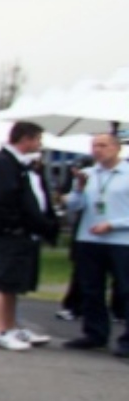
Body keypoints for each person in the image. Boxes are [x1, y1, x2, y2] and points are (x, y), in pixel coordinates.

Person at [0, 121, 61, 351]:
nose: (40, 144)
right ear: (26, 139)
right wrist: (15, 223)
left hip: (21, 233)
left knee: (12, 284)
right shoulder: (2, 164)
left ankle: (11, 326)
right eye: (38, 139)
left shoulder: (19, 164)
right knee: (0, 282)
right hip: (8, 232)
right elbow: (0, 200)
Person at [60, 131, 129, 355]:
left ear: (117, 148)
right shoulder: (88, 174)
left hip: (121, 240)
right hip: (89, 238)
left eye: (104, 145)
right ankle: (95, 332)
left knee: (125, 290)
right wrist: (78, 189)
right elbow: (73, 207)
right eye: (94, 146)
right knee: (91, 288)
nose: (98, 149)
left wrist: (114, 224)